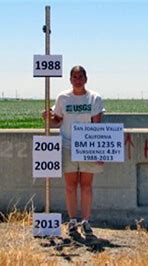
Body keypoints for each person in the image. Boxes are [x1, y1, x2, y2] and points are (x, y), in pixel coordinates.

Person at [43, 65, 105, 238]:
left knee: (86, 186)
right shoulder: (63, 98)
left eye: (81, 77)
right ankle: (72, 221)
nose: (78, 80)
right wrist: (48, 118)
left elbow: (96, 126)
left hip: (87, 147)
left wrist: (99, 152)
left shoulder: (94, 98)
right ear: (70, 79)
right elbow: (57, 121)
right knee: (70, 186)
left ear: (86, 79)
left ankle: (85, 221)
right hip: (67, 146)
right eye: (74, 77)